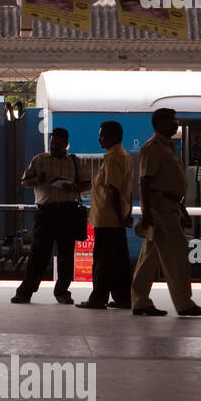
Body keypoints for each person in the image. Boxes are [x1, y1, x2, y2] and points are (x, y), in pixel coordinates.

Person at [130, 108, 201, 317]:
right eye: (171, 120)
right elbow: (145, 182)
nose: (176, 124)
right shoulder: (153, 148)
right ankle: (184, 304)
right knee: (177, 257)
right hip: (161, 210)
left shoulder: (167, 148)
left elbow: (169, 184)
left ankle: (140, 302)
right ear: (159, 124)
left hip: (170, 207)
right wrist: (147, 213)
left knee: (149, 258)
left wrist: (181, 209)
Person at [12, 127, 91, 305]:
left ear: (66, 144)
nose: (54, 146)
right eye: (52, 143)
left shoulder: (75, 162)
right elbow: (24, 181)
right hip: (45, 212)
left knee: (66, 254)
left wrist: (75, 188)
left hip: (67, 212)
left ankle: (63, 291)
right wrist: (36, 181)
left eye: (58, 144)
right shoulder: (39, 160)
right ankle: (25, 292)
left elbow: (87, 183)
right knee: (38, 253)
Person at [78, 121, 134, 310]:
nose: (99, 138)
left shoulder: (112, 157)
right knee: (119, 261)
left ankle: (98, 297)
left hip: (108, 218)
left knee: (102, 260)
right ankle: (123, 297)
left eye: (102, 135)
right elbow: (128, 189)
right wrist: (127, 214)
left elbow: (113, 190)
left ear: (113, 136)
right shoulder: (125, 155)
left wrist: (120, 216)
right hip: (116, 218)